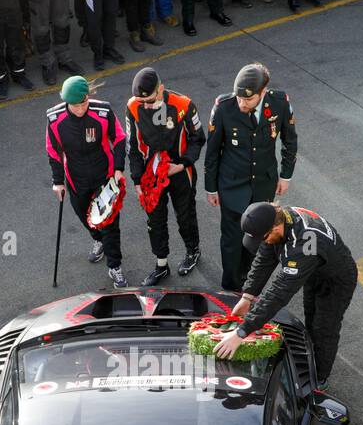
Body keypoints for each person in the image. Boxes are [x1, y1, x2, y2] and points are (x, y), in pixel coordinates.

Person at [214, 200, 357, 388]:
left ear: (275, 227)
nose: (263, 242)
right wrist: (247, 296)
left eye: (263, 237)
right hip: (314, 273)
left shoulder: (306, 240)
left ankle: (319, 379)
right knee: (311, 318)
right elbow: (264, 259)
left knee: (324, 329)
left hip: (335, 282)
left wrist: (242, 332)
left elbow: (279, 292)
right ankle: (312, 358)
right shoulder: (276, 220)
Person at [204, 62, 297, 290]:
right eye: (239, 98)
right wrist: (211, 188)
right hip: (232, 186)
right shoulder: (224, 107)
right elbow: (213, 151)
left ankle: (248, 283)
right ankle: (230, 287)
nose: (242, 104)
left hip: (263, 184)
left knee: (258, 237)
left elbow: (290, 140)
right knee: (232, 239)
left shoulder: (279, 103)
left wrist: (285, 175)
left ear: (262, 92)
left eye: (248, 99)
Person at [46, 74, 129, 288]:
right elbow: (53, 151)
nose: (80, 108)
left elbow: (119, 138)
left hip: (105, 176)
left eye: (83, 102)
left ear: (88, 97)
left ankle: (115, 266)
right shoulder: (55, 120)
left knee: (109, 223)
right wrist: (58, 181)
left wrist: (119, 169)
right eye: (74, 105)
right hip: (76, 179)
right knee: (87, 218)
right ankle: (97, 240)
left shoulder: (103, 111)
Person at [126, 65, 204, 284]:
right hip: (151, 175)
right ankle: (161, 265)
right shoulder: (133, 107)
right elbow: (132, 146)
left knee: (185, 215)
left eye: (150, 100)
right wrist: (137, 179)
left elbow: (198, 138)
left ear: (161, 89)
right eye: (142, 102)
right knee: (155, 220)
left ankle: (192, 251)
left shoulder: (183, 105)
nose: (146, 106)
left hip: (180, 171)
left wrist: (182, 164)